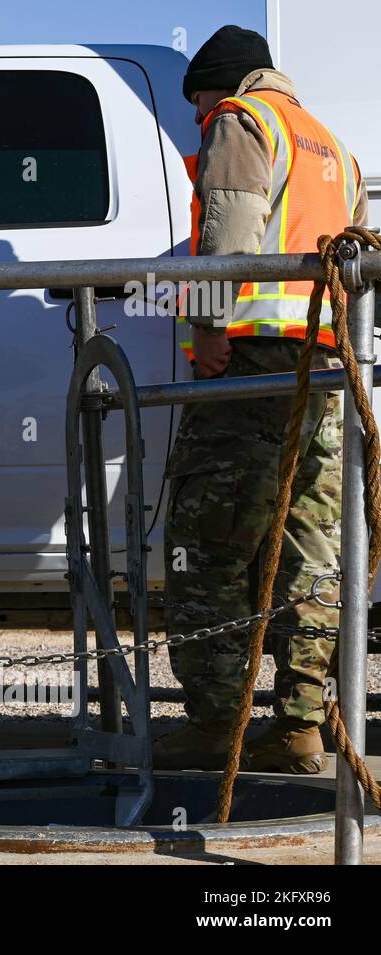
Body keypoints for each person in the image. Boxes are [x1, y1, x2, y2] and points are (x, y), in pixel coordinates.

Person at [156, 25, 369, 773]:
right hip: (325, 365)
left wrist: (208, 325)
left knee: (206, 541)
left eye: (199, 101)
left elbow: (228, 232)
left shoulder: (244, 121)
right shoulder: (332, 146)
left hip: (251, 360)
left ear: (223, 84)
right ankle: (301, 725)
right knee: (310, 544)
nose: (199, 118)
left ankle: (217, 724)